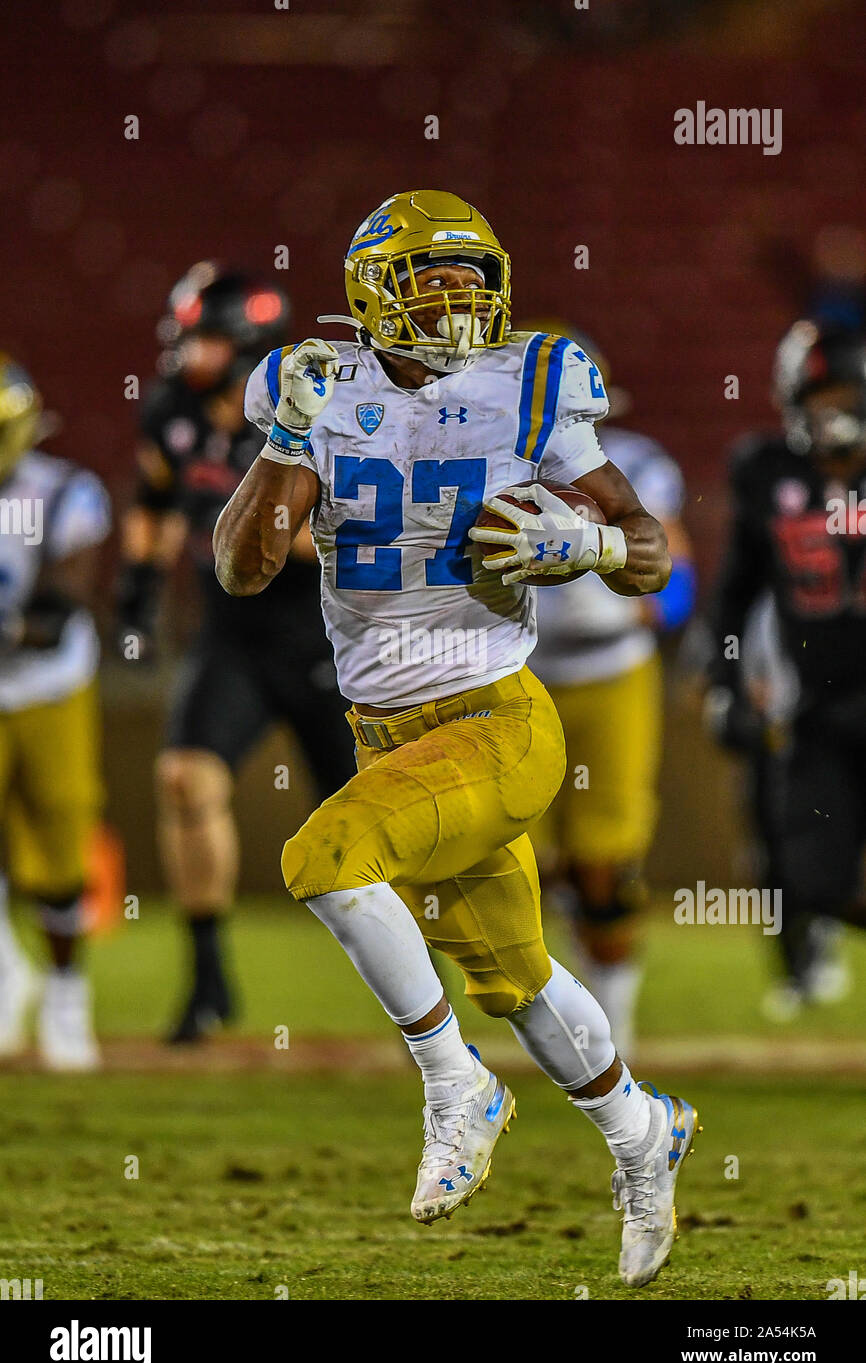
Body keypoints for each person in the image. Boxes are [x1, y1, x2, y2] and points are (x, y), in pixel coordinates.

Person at [215, 190, 700, 1289]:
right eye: (430, 280)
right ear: (372, 292)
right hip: (390, 735)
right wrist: (285, 439)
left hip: (498, 718)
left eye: (470, 281)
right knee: (519, 980)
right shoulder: (321, 388)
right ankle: (638, 1129)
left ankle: (453, 1087)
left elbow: (651, 551)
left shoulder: (528, 383)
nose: (456, 302)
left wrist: (583, 542)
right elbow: (244, 569)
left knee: (322, 862)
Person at [116, 263, 355, 1043]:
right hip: (235, 638)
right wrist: (140, 590)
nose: (190, 350)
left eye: (208, 336)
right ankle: (209, 977)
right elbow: (155, 501)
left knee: (368, 835)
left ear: (249, 344)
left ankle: (430, 1005)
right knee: (185, 779)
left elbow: (349, 537)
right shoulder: (175, 411)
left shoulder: (328, 416)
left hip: (329, 640)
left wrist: (266, 539)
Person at [524, 325, 694, 1056]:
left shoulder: (637, 465)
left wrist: (653, 600)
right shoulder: (492, 463)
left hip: (612, 667)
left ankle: (612, 1030)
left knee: (608, 862)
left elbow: (677, 575)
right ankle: (560, 1000)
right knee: (514, 863)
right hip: (515, 670)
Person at [705, 320, 866, 1011]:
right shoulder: (767, 471)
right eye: (819, 394)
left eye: (845, 393)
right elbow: (735, 590)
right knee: (808, 878)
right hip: (820, 704)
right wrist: (726, 678)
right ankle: (804, 955)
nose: (832, 409)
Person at [0, 355, 111, 1069]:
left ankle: (68, 993)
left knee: (62, 845)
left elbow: (57, 613)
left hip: (48, 686)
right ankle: (10, 976)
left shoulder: (65, 490)